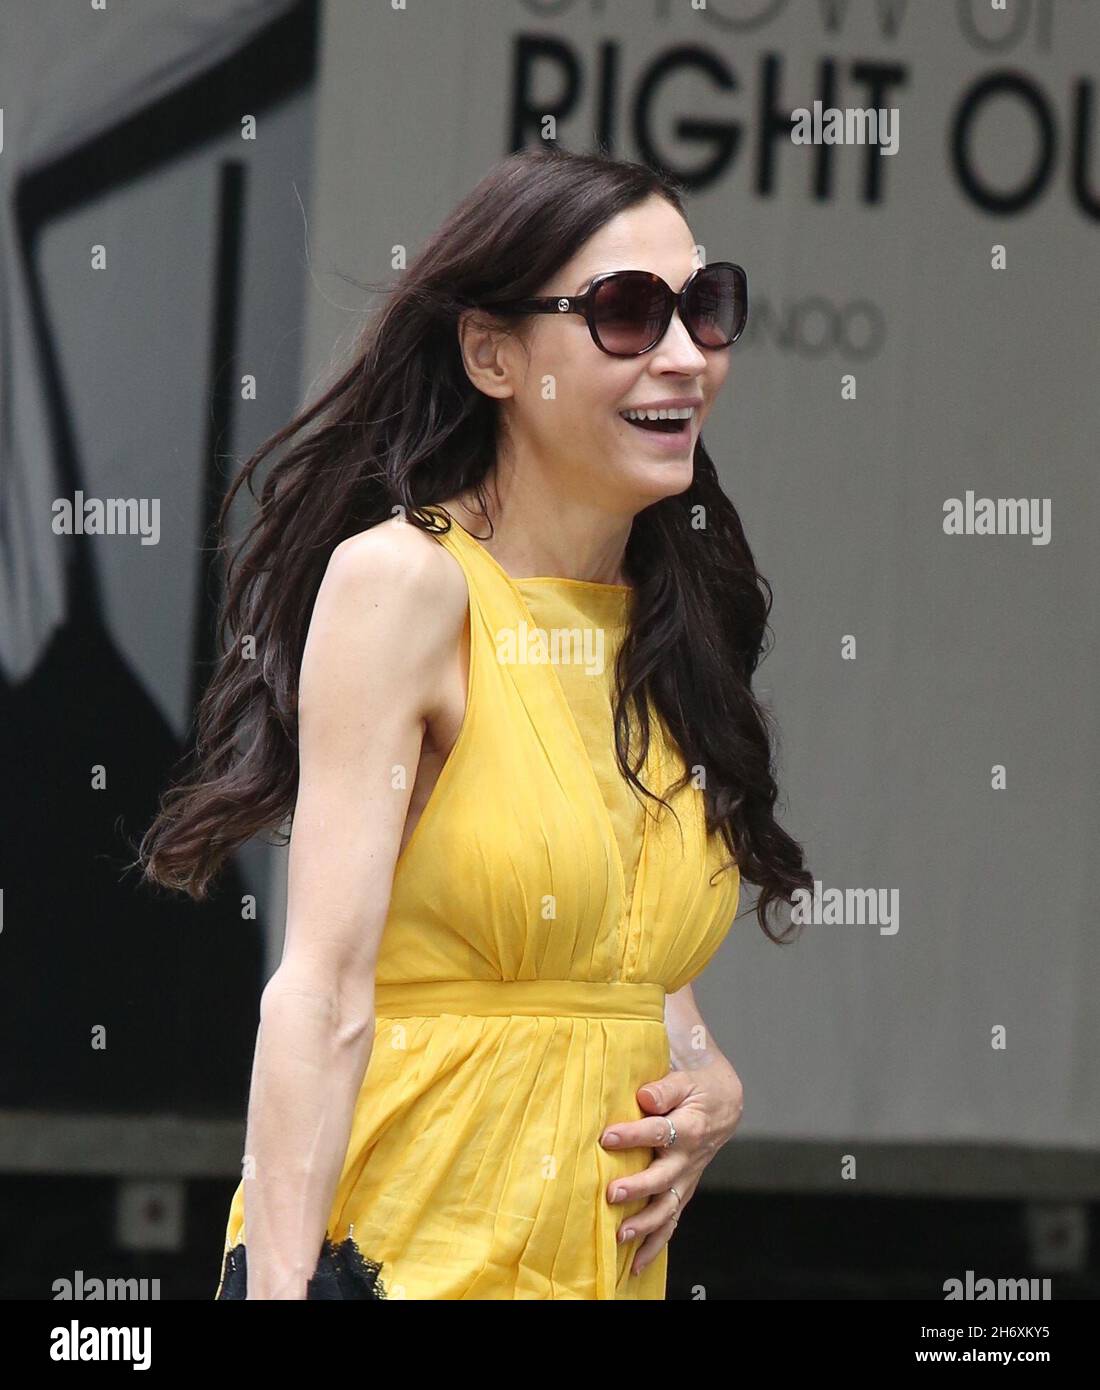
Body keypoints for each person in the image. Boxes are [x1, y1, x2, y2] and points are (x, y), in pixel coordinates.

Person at [137, 145, 812, 1300]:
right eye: (623, 313)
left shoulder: (667, 620)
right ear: (490, 352)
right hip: (407, 1257)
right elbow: (320, 988)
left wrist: (706, 1075)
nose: (683, 354)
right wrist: (279, 1287)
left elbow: (617, 943)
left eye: (703, 307)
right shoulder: (406, 585)